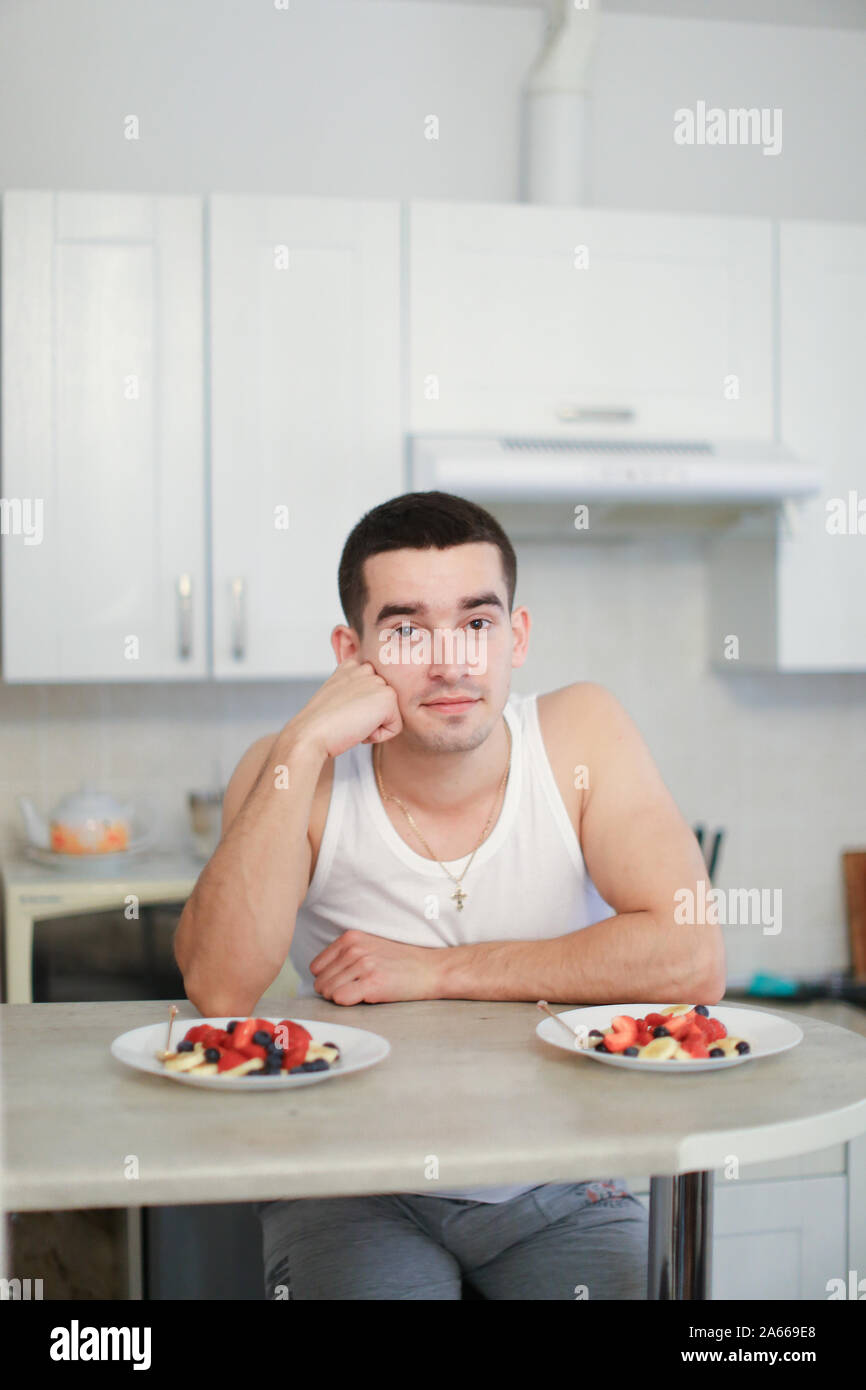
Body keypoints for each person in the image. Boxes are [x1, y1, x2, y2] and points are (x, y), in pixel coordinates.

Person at [174, 490, 724, 1300]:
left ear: (517, 635)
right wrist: (303, 739)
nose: (451, 660)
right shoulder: (291, 769)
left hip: (563, 1177)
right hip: (349, 1181)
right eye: (405, 628)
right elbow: (220, 988)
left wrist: (436, 970)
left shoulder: (582, 732)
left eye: (477, 622)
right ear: (350, 651)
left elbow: (692, 958)